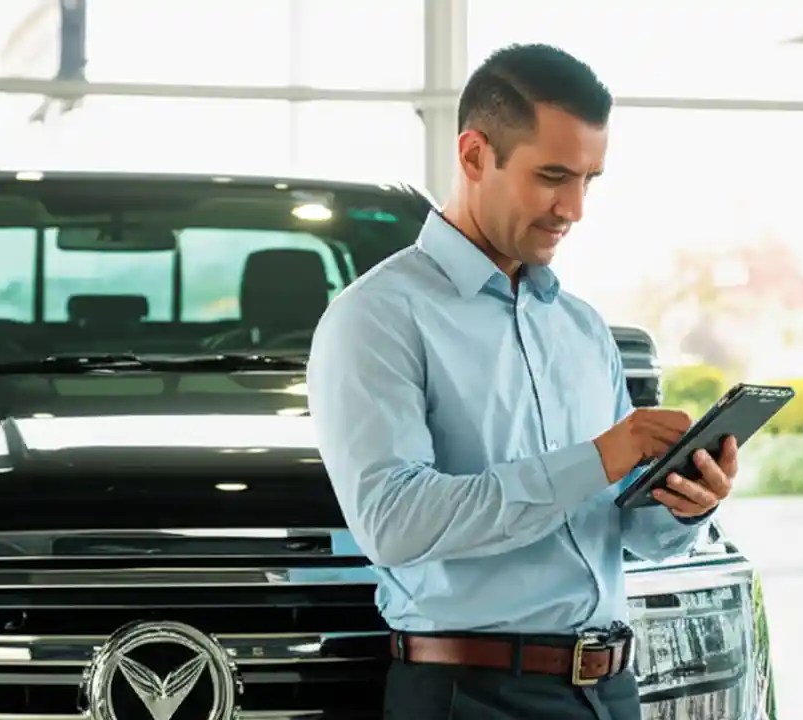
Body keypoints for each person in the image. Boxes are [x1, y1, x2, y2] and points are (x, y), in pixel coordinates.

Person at [306, 43, 740, 720]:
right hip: (470, 697)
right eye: (552, 176)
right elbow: (393, 522)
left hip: (609, 688)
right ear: (476, 155)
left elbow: (624, 528)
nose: (574, 208)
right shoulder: (377, 318)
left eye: (589, 179)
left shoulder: (582, 328)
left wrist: (687, 503)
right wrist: (600, 457)